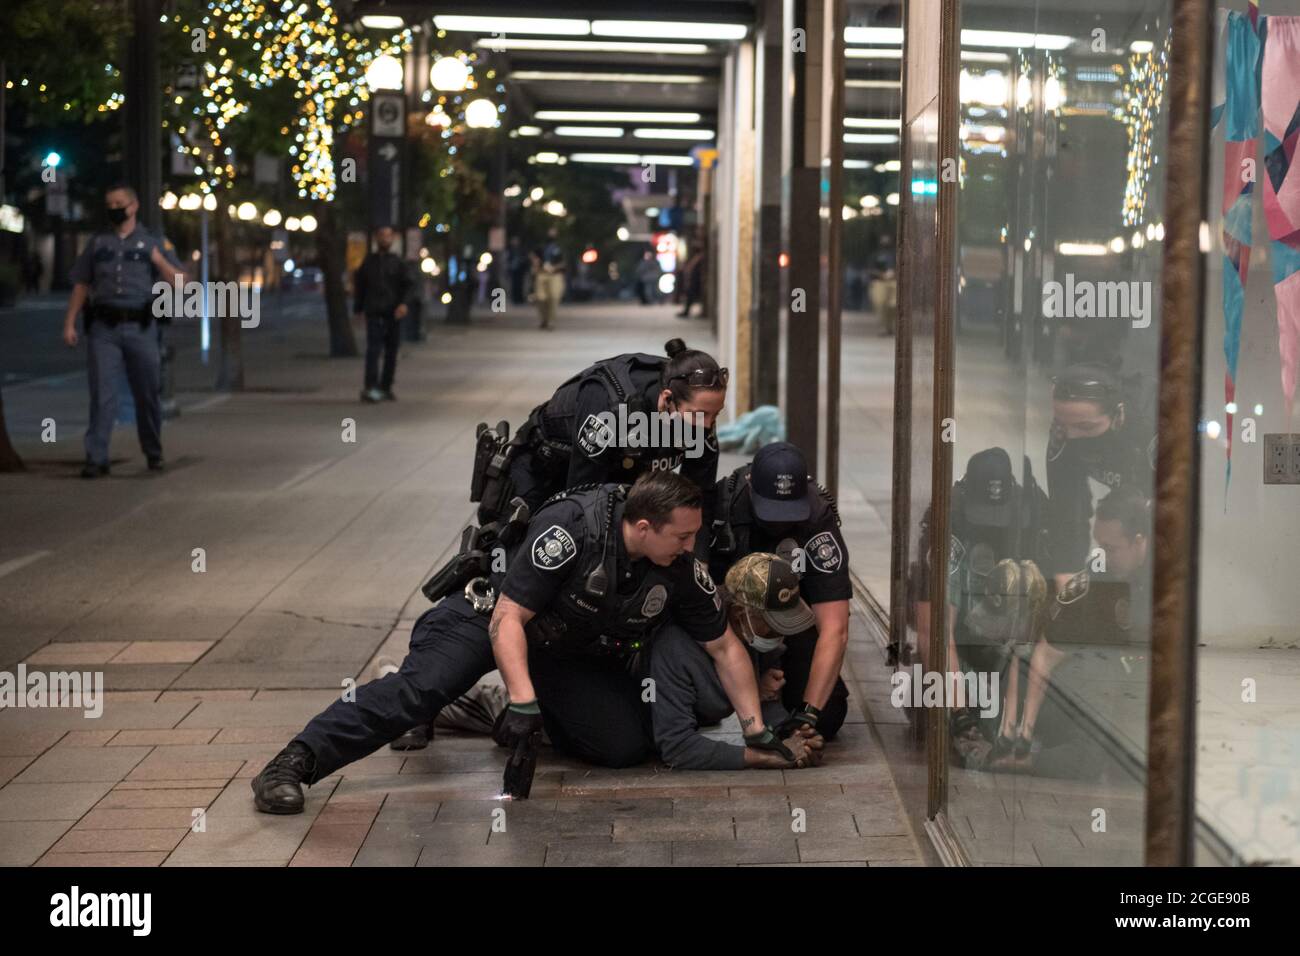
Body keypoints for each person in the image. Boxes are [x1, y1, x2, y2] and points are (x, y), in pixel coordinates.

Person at [250, 472, 798, 813]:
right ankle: (295, 762)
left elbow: (725, 647)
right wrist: (523, 699)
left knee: (622, 746)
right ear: (642, 525)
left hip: (561, 647)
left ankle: (495, 712)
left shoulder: (678, 566)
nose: (689, 546)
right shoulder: (572, 531)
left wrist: (757, 730)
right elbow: (509, 618)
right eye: (681, 535)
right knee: (422, 689)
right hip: (489, 617)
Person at [473, 338, 725, 525]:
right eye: (699, 416)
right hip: (546, 471)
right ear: (667, 399)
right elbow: (580, 502)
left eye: (715, 415)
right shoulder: (610, 408)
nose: (706, 427)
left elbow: (699, 499)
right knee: (521, 549)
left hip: (620, 474)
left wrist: (697, 561)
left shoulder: (698, 419)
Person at [997, 488, 1152, 773]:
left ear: (1139, 542)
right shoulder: (1095, 578)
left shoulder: (1164, 583)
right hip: (1100, 677)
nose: (1103, 555)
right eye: (1099, 546)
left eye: (1111, 548)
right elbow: (1046, 652)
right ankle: (1032, 756)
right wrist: (1025, 730)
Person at [704, 441, 851, 739]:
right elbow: (696, 602)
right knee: (703, 707)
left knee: (828, 716)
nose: (780, 523)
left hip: (791, 622)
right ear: (750, 486)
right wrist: (749, 676)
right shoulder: (721, 506)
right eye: (771, 512)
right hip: (728, 627)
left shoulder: (818, 516)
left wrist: (808, 716)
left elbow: (835, 627)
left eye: (789, 513)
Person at [649, 551, 826, 769]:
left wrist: (796, 737)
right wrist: (764, 758)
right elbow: (677, 748)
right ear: (741, 614)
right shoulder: (675, 647)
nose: (778, 634)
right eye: (772, 625)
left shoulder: (754, 637)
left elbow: (769, 715)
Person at [62, 184, 185, 478]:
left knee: (146, 394)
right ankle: (96, 457)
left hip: (141, 328)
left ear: (134, 206)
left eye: (119, 202)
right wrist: (69, 322)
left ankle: (153, 453)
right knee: (103, 394)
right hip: (104, 329)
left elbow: (181, 283)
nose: (114, 207)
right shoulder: (98, 243)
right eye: (109, 202)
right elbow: (82, 283)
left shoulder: (154, 242)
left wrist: (157, 259)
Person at [1044, 363, 1155, 585]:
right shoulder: (1063, 432)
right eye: (1064, 424)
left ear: (1117, 416)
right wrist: (1068, 566)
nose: (1072, 436)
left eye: (1085, 427)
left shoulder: (1148, 434)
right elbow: (1066, 504)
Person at [353, 225, 413, 402]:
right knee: (373, 350)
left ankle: (386, 386)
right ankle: (371, 386)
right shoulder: (368, 262)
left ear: (392, 238)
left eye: (388, 236)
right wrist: (358, 309)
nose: (384, 239)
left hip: (393, 312)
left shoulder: (397, 262)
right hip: (374, 311)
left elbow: (408, 285)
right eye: (381, 236)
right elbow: (361, 287)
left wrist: (403, 304)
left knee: (391, 351)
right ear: (376, 238)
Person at [533, 229, 565, 330]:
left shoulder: (561, 246)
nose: (551, 234)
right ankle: (544, 319)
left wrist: (554, 267)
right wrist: (536, 265)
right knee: (540, 297)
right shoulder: (541, 245)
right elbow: (534, 256)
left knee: (554, 297)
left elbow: (564, 262)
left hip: (555, 274)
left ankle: (551, 321)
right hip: (542, 273)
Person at [868, 233, 898, 336]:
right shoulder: (875, 255)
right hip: (879, 282)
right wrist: (882, 274)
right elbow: (870, 270)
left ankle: (891, 326)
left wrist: (894, 273)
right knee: (880, 304)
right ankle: (884, 328)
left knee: (894, 304)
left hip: (894, 281)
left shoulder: (896, 254)